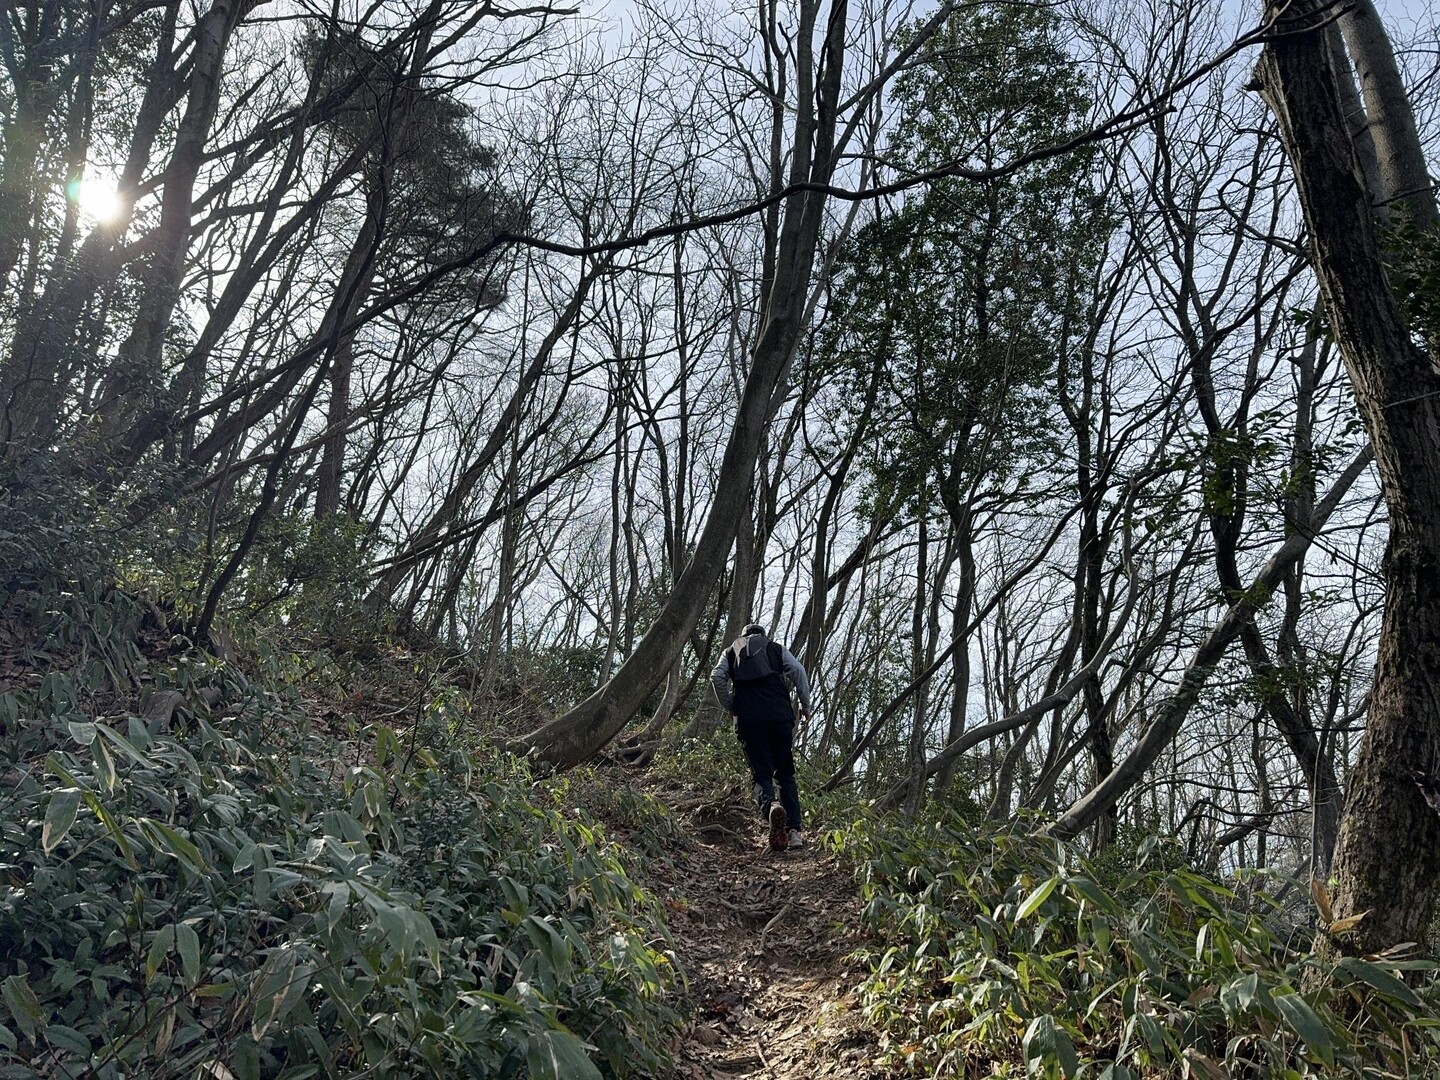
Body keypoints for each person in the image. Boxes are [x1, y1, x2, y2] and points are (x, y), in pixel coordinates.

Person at [711, 622, 813, 852]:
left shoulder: (731, 651)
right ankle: (794, 832)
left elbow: (716, 677)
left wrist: (732, 705)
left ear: (743, 635)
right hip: (780, 717)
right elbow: (798, 670)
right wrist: (805, 705)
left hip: (749, 720)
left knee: (761, 775)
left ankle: (771, 808)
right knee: (786, 774)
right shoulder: (776, 648)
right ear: (763, 635)